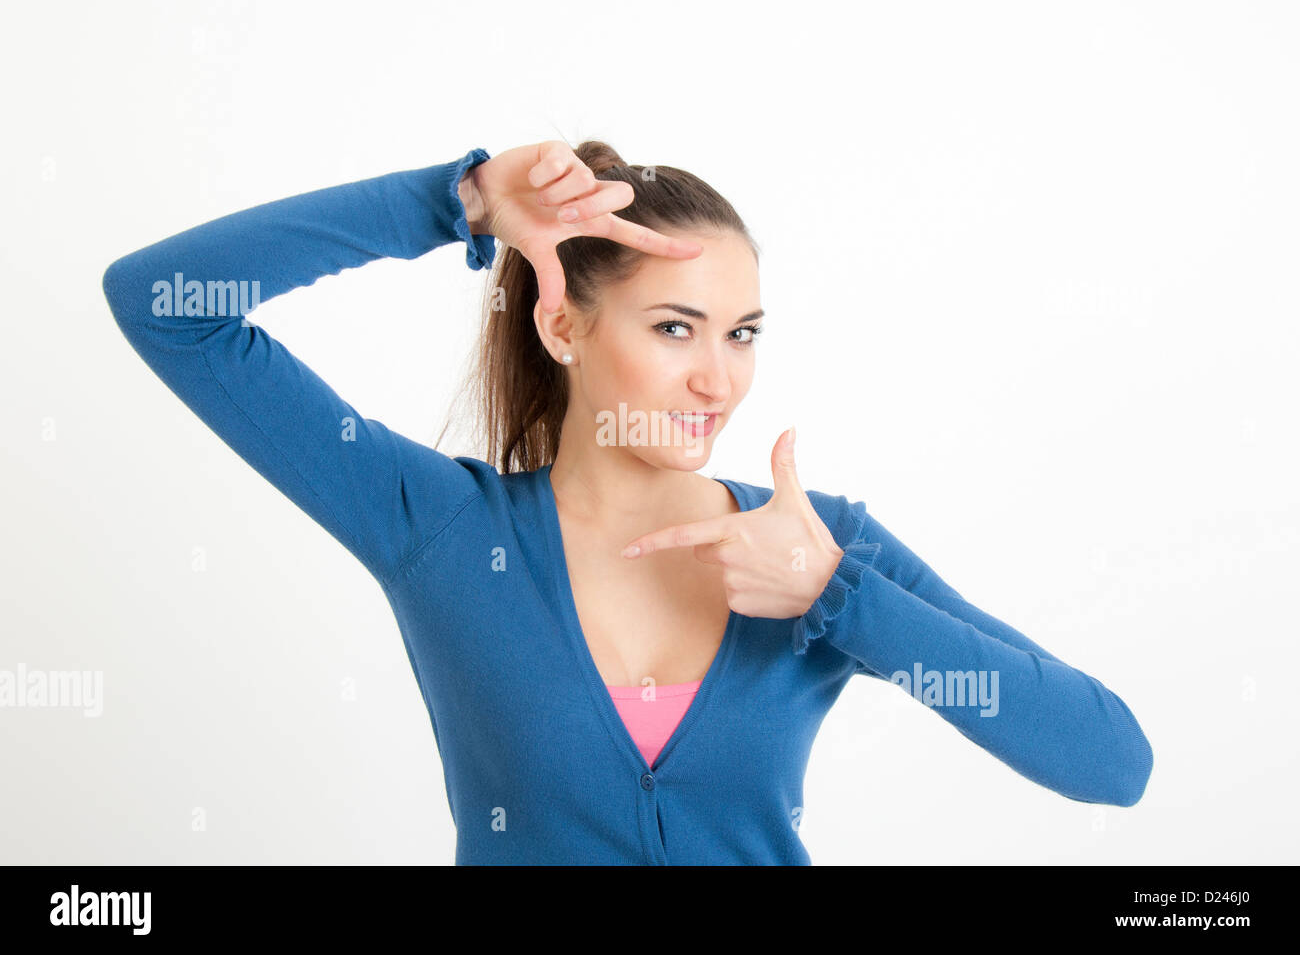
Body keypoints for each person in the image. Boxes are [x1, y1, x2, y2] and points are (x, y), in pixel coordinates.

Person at [102, 139, 1153, 865]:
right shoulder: (438, 527)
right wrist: (456, 200)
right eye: (673, 328)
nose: (719, 379)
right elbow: (163, 305)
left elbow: (1110, 758)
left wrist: (839, 595)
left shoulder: (812, 546)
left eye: (740, 332)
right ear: (563, 328)